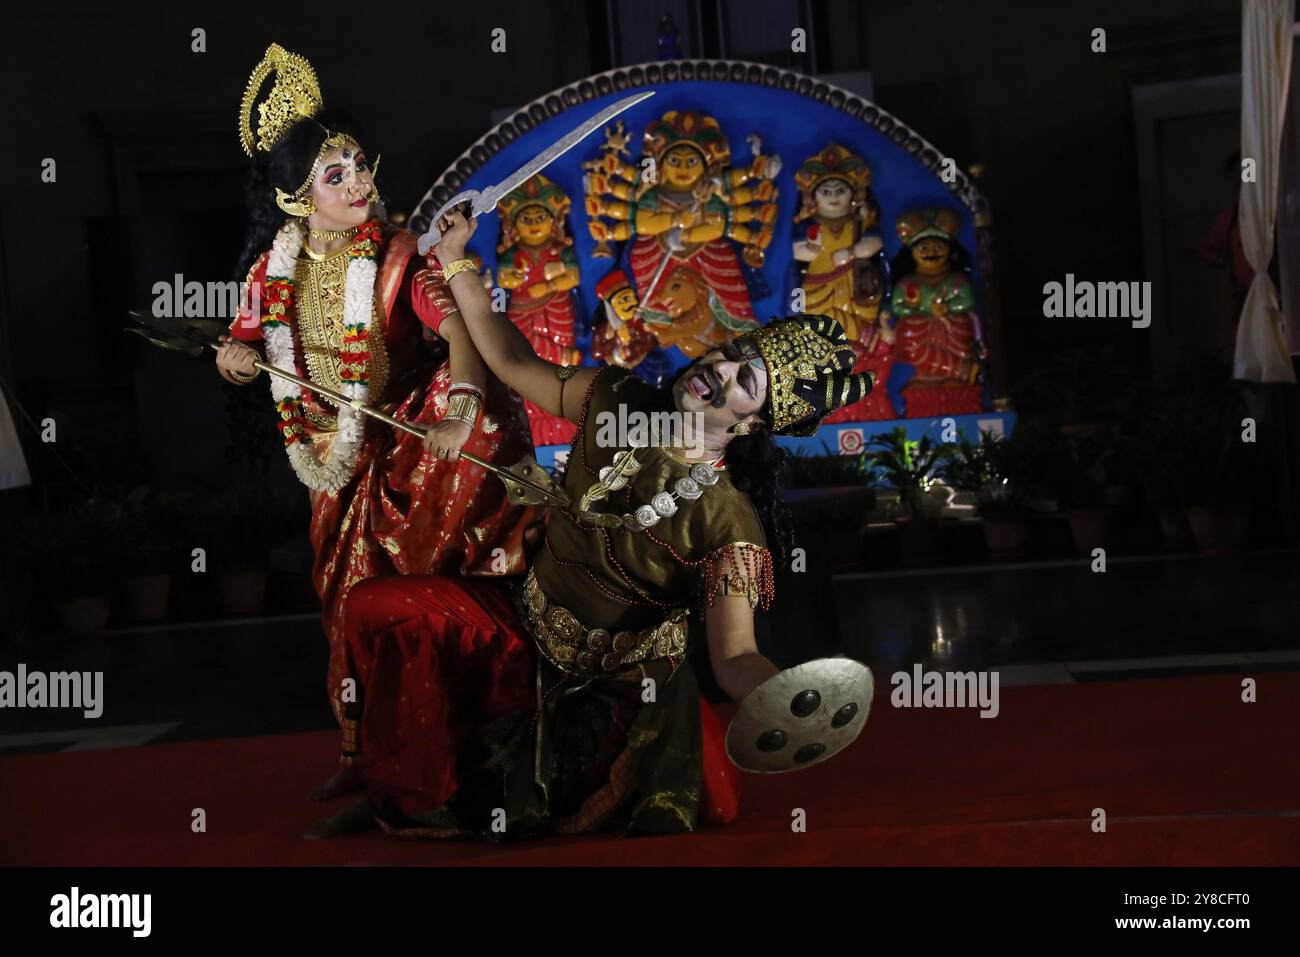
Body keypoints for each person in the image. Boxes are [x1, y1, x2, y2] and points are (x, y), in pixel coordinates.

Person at [306, 206, 875, 839]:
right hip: (524, 621)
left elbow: (736, 655)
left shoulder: (728, 525)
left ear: (751, 424)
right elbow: (510, 359)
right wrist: (461, 258)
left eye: (745, 380)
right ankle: (392, 785)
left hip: (623, 685)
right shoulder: (618, 398)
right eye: (731, 353)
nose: (718, 370)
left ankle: (428, 790)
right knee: (374, 607)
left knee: (702, 803)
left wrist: (788, 700)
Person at [213, 44, 541, 801]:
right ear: (298, 200)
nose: (359, 182)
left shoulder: (395, 256)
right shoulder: (275, 268)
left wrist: (460, 411)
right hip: (335, 461)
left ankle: (476, 740)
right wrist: (230, 355)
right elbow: (244, 337)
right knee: (347, 605)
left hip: (421, 451)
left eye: (360, 165)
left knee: (435, 597)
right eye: (337, 175)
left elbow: (458, 327)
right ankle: (368, 754)